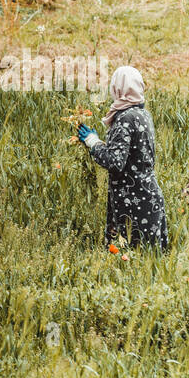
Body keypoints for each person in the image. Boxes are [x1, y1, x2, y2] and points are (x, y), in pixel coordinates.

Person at [76, 65, 168, 250]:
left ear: (117, 88)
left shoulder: (125, 118)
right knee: (150, 263)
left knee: (129, 260)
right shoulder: (143, 114)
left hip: (132, 203)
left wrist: (93, 143)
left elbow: (115, 162)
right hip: (149, 197)